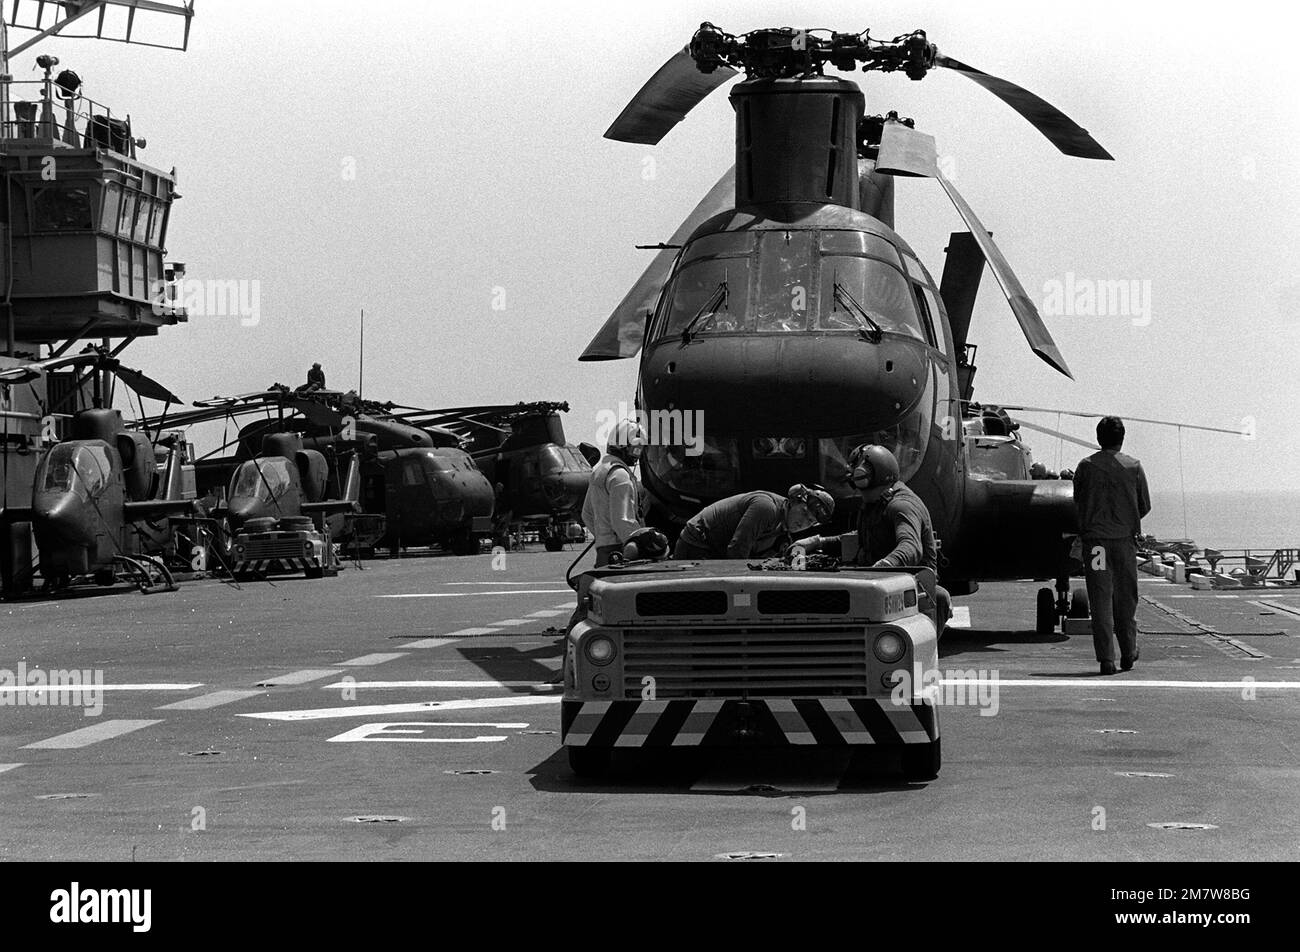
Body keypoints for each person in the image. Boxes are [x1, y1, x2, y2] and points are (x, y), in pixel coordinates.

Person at [795, 444, 950, 631]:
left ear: (866, 476)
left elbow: (910, 547)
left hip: (903, 590)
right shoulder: (876, 504)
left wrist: (882, 567)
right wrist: (818, 543)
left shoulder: (901, 506)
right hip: (879, 586)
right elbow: (863, 538)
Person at [1073, 416, 1151, 675]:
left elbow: (1078, 500)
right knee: (1126, 599)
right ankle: (1129, 650)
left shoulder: (1085, 467)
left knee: (1100, 599)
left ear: (1098, 438)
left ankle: (1106, 659)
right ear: (1122, 438)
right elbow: (1144, 506)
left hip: (1096, 545)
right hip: (1124, 543)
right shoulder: (1134, 467)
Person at [673, 484, 834, 560]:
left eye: (811, 521)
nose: (803, 522)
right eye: (804, 513)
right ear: (794, 501)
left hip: (715, 549)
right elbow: (737, 549)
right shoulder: (766, 507)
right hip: (696, 544)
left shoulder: (782, 530)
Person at [579, 418, 647, 567]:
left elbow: (587, 514)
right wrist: (642, 545)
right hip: (622, 553)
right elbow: (622, 521)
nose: (638, 454)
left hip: (603, 553)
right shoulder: (620, 475)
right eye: (637, 448)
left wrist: (604, 537)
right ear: (625, 446)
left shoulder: (600, 471)